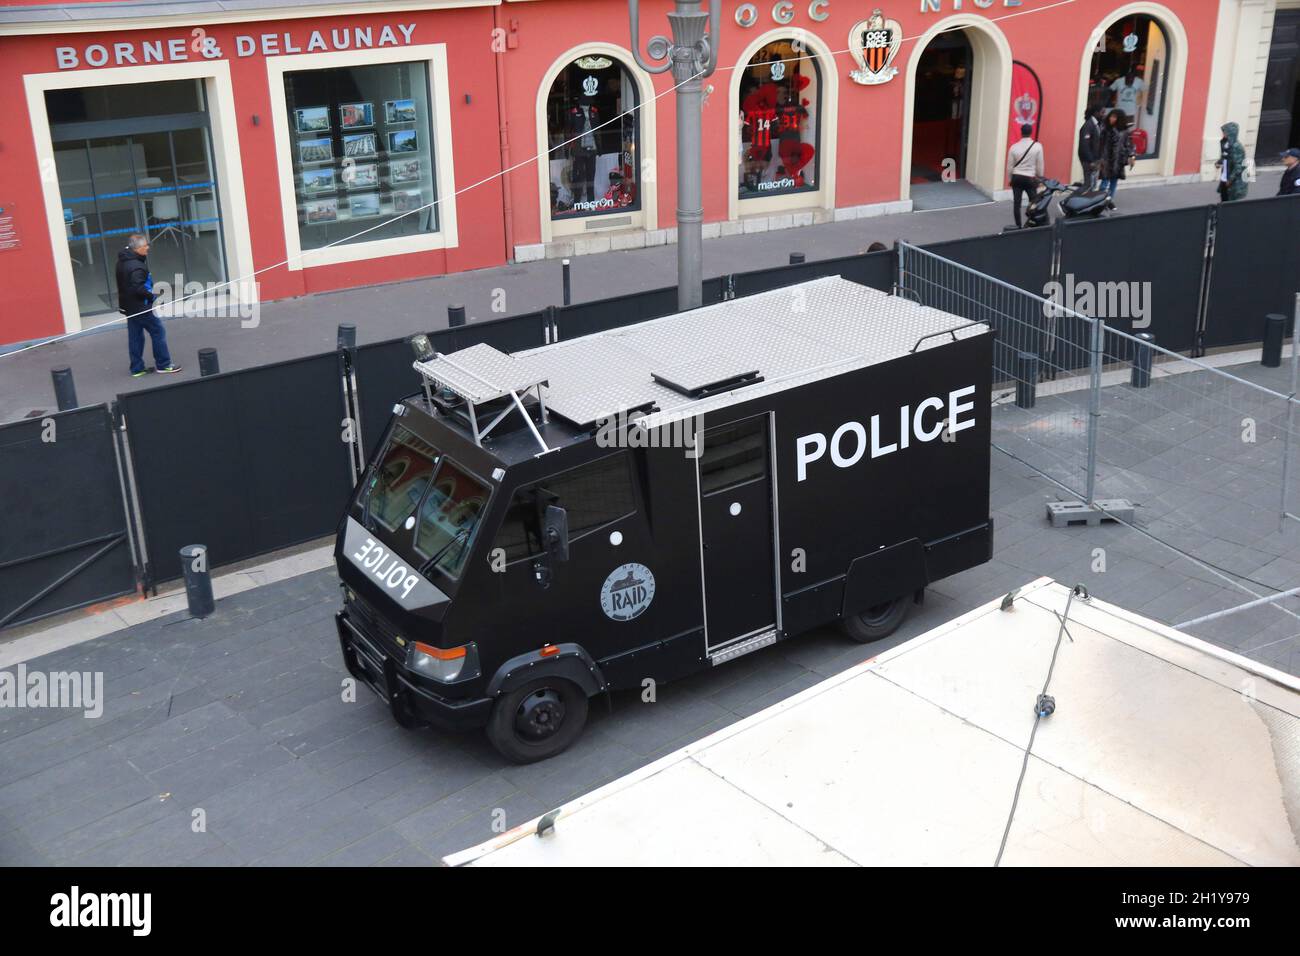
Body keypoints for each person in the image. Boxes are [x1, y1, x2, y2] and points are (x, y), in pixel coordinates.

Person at [115, 234, 181, 378]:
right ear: (137, 248)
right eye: (145, 246)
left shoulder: (123, 261)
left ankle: (137, 368)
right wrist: (153, 298)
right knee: (158, 332)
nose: (148, 248)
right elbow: (138, 288)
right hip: (141, 308)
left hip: (129, 307)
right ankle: (164, 364)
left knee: (136, 337)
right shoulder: (136, 266)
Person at [1006, 122, 1044, 228]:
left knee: (1016, 204)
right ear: (1031, 132)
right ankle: (1031, 222)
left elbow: (1009, 167)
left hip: (1017, 177)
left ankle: (1018, 226)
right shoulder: (1037, 146)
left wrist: (1010, 180)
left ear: (1021, 132)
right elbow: (1040, 166)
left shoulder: (1014, 147)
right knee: (1034, 201)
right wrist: (1040, 178)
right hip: (1030, 178)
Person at [1098, 109, 1135, 207]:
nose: (1111, 118)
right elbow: (1100, 144)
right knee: (1104, 182)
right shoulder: (1105, 129)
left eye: (1114, 117)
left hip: (1118, 160)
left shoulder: (1125, 131)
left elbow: (1129, 145)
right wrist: (1099, 157)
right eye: (1111, 116)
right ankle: (1099, 201)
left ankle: (1109, 200)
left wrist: (1132, 156)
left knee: (1113, 182)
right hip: (1106, 159)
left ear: (1120, 119)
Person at [1215, 122, 1248, 202]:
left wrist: (1230, 180)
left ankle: (1227, 213)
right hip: (1225, 176)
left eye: (1225, 132)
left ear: (1230, 133)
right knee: (1223, 196)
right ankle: (1222, 212)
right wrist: (1219, 162)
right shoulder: (1226, 144)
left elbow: (1238, 167)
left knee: (1230, 200)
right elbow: (1225, 157)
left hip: (1233, 181)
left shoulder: (1237, 147)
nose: (1223, 134)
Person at [1078, 106, 1103, 189]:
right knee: (1089, 185)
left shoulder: (1097, 125)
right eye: (1102, 112)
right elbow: (1084, 145)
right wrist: (1091, 161)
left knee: (1093, 185)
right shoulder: (1088, 126)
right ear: (1096, 113)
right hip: (1089, 161)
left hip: (1095, 160)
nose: (1103, 114)